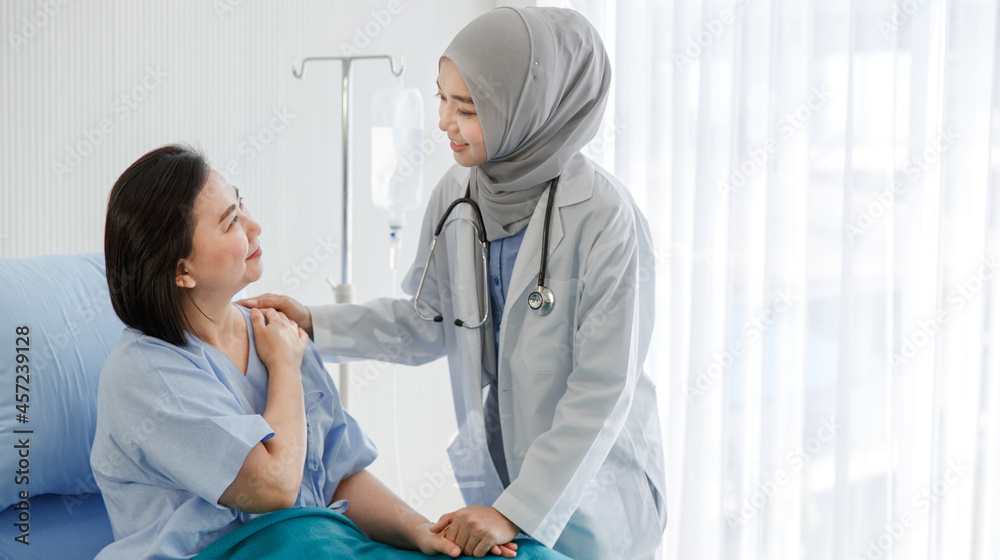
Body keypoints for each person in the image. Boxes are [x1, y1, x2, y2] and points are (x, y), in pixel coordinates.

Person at [241, 6, 666, 560]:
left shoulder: (606, 218)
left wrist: (515, 510)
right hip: (497, 475)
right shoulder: (457, 194)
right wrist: (315, 323)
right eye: (441, 98)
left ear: (525, 111)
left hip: (591, 494)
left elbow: (602, 390)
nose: (443, 121)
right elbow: (425, 321)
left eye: (465, 108)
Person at [89, 145, 517, 560]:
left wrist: (422, 531)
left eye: (242, 206)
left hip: (318, 540)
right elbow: (272, 489)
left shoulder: (273, 330)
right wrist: (285, 369)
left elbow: (338, 474)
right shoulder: (146, 374)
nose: (254, 227)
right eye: (231, 221)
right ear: (182, 271)